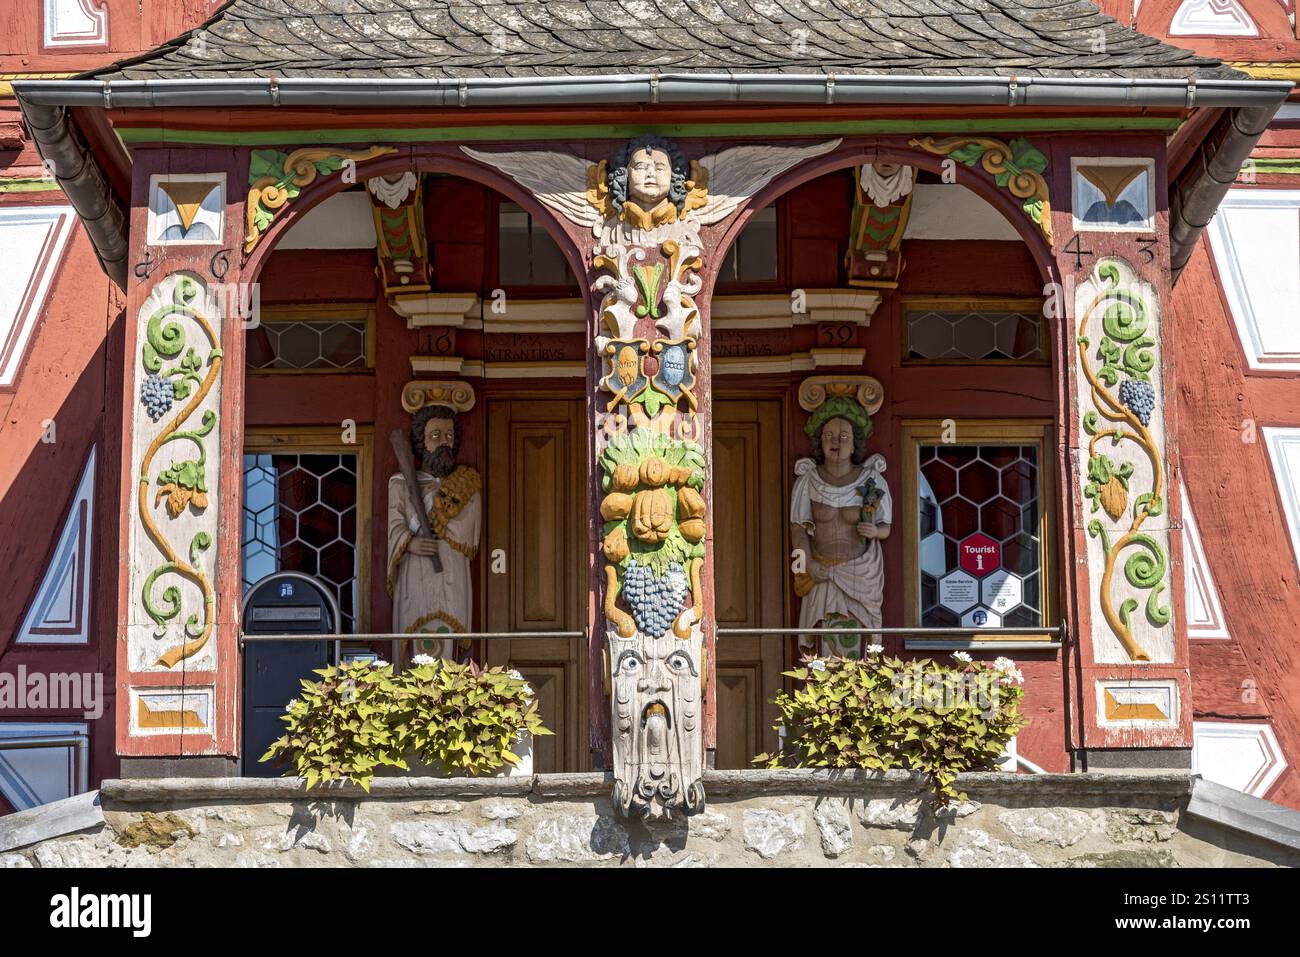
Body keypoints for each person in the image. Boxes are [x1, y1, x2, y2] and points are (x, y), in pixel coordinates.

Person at [790, 396, 891, 658]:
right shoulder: (808, 481)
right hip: (821, 570)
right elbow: (799, 529)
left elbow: (885, 526)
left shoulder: (871, 479)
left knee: (857, 639)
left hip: (860, 573)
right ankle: (825, 693)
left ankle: (853, 692)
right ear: (820, 441)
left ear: (855, 442)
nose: (836, 442)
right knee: (825, 639)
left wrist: (875, 531)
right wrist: (808, 563)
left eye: (843, 436)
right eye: (829, 436)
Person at [387, 405, 481, 660]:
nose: (444, 442)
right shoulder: (400, 484)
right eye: (436, 436)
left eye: (449, 436)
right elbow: (395, 526)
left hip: (451, 568)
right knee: (417, 639)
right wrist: (410, 542)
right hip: (416, 571)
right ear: (421, 442)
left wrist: (444, 515)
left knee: (446, 636)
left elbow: (469, 534)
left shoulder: (466, 486)